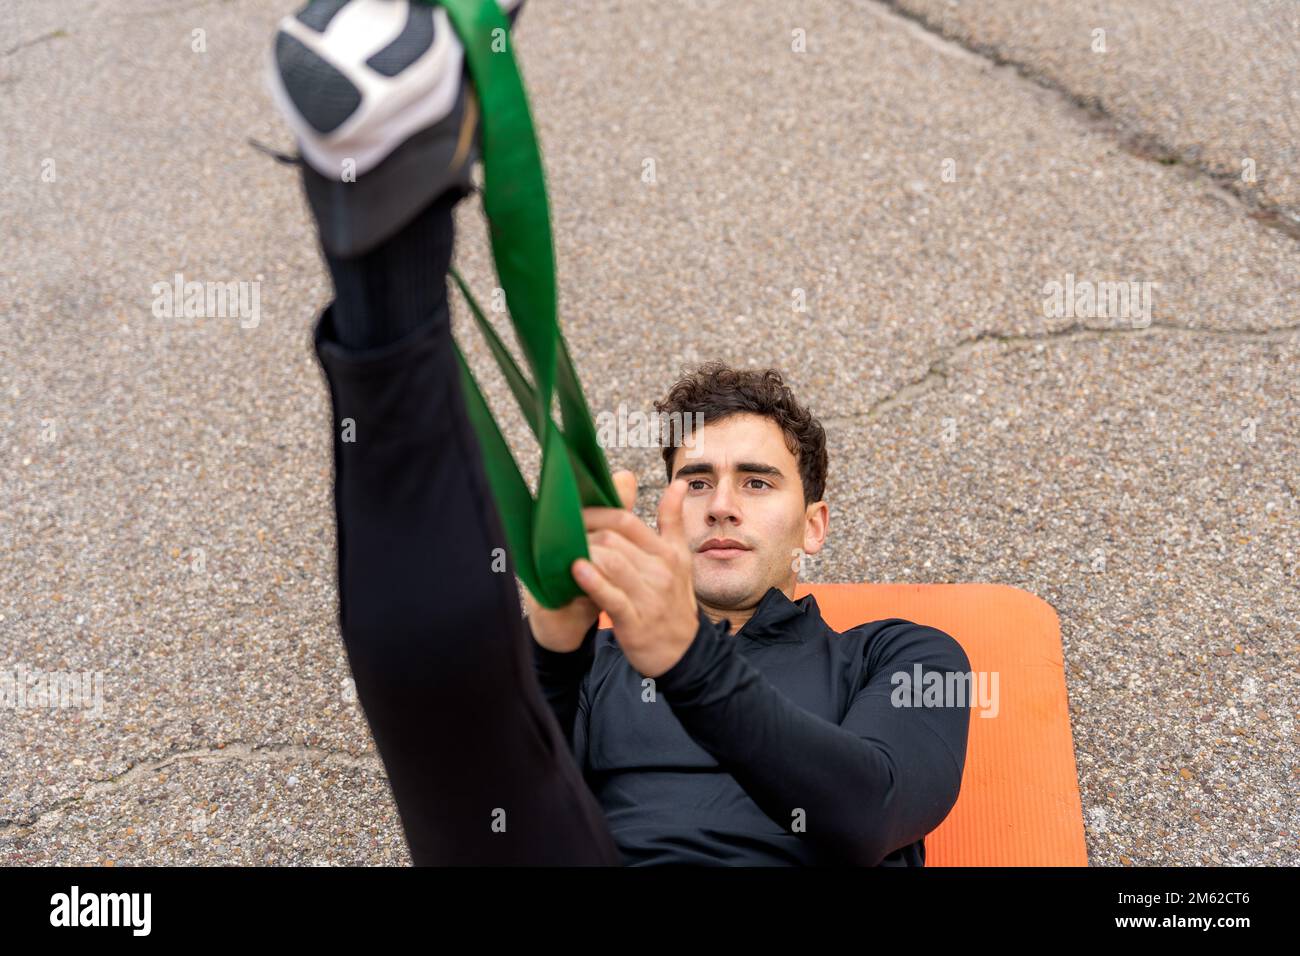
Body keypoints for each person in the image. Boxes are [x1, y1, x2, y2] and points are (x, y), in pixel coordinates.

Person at [268, 0, 971, 866]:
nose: (721, 505)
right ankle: (384, 237)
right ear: (666, 511)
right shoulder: (604, 668)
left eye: (757, 481)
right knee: (466, 702)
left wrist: (687, 661)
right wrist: (555, 646)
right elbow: (500, 816)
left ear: (813, 525)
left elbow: (873, 810)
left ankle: (382, 258)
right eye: (697, 479)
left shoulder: (896, 654)